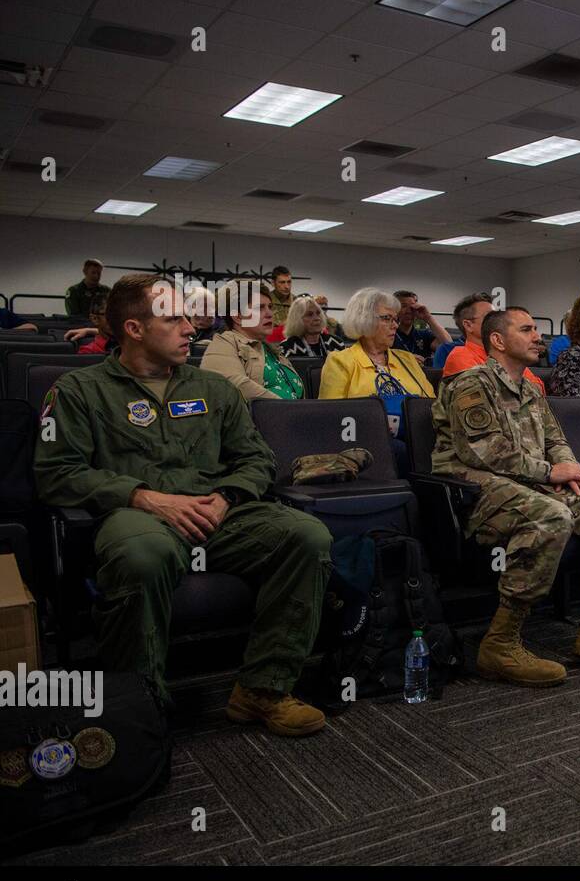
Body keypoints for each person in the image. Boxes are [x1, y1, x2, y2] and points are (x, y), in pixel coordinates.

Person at [33, 273, 332, 734]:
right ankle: (141, 706)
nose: (191, 328)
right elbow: (58, 473)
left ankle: (262, 688)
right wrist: (143, 496)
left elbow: (256, 457)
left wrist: (226, 497)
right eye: (173, 319)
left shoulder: (213, 389)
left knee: (306, 535)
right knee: (142, 556)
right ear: (134, 329)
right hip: (137, 515)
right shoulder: (79, 391)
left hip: (217, 513)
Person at [432, 308, 580, 687]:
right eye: (527, 329)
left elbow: (555, 440)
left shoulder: (530, 389)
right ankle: (500, 642)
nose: (539, 336)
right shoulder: (471, 385)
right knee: (552, 515)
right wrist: (550, 473)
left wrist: (573, 472)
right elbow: (482, 451)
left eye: (538, 328)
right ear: (498, 341)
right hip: (477, 492)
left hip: (528, 486)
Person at [320, 288, 432, 471]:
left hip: (418, 436)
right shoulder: (340, 361)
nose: (395, 325)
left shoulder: (407, 359)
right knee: (404, 450)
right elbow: (332, 418)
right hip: (368, 443)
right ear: (364, 318)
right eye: (387, 318)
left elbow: (430, 404)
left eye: (395, 319)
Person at [200, 282, 304, 400]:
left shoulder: (270, 349)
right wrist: (295, 410)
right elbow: (236, 387)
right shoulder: (223, 344)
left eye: (270, 307)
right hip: (268, 416)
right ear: (238, 317)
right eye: (259, 308)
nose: (270, 314)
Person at [442, 293, 545, 391]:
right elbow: (488, 394)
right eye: (489, 317)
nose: (495, 321)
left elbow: (537, 389)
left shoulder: (507, 355)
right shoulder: (460, 356)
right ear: (468, 325)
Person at [392, 290, 453, 362]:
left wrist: (428, 318)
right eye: (403, 306)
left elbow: (449, 345)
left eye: (412, 307)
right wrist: (407, 358)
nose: (408, 311)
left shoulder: (423, 334)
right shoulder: (389, 335)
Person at [281, 295, 348, 358]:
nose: (317, 318)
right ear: (297, 319)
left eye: (318, 313)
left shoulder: (337, 343)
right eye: (310, 315)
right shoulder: (287, 347)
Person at [266, 266, 293, 342]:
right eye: (282, 282)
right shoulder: (265, 301)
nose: (287, 286)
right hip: (271, 343)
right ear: (273, 283)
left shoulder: (297, 302)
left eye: (289, 282)